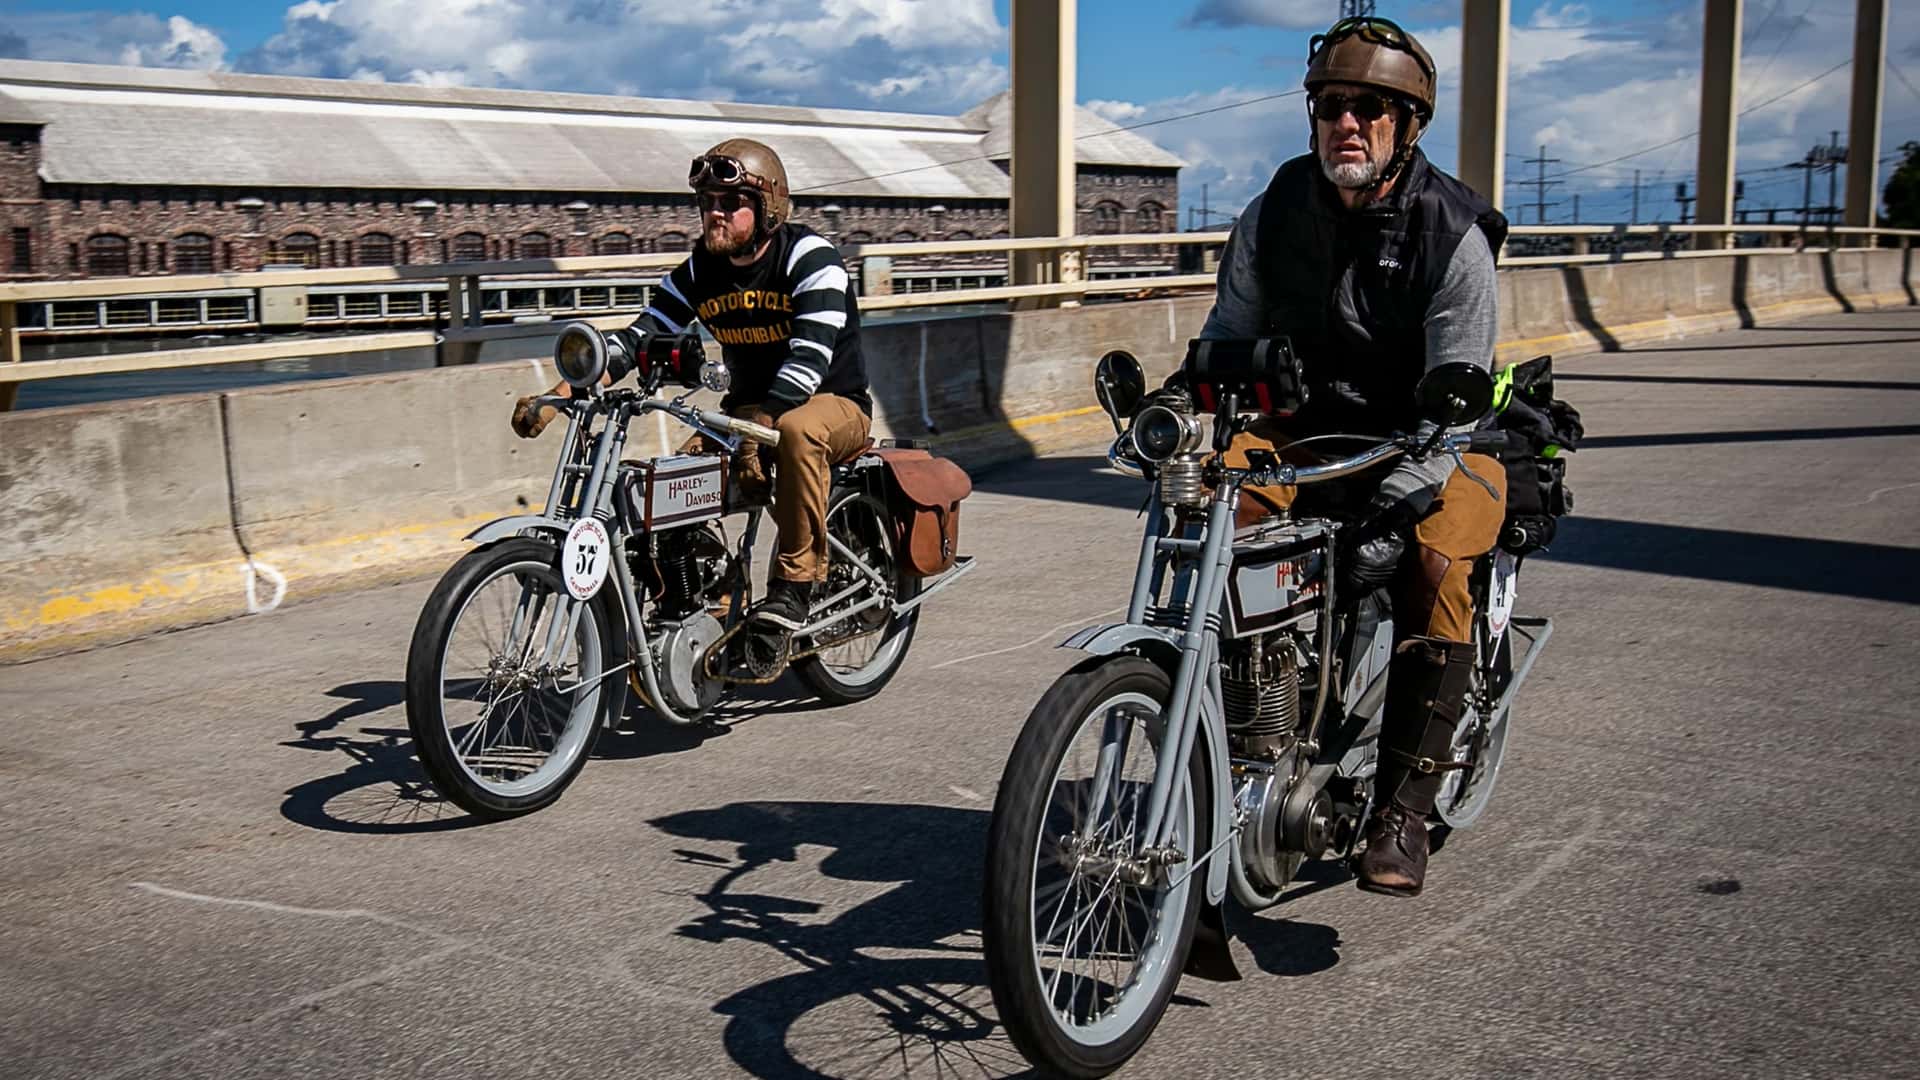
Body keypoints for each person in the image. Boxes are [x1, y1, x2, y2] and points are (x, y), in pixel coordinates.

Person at [1194, 16, 1510, 897]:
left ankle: (1402, 808)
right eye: (1333, 105)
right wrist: (1187, 408)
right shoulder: (1274, 212)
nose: (1349, 124)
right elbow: (1231, 336)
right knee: (1212, 507)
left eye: (1372, 109)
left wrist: (1406, 491)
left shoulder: (1453, 232)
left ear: (1408, 126)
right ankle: (1233, 713)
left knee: (1437, 562)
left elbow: (1461, 389)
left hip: (1438, 442)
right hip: (1309, 434)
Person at [512, 138, 872, 633]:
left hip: (830, 405)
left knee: (798, 433)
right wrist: (557, 396)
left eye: (730, 203)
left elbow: (808, 361)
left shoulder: (810, 259)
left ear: (768, 209)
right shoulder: (700, 272)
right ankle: (709, 596)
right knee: (670, 487)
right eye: (706, 204)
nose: (714, 215)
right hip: (746, 412)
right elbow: (639, 339)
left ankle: (796, 587)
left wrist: (758, 428)